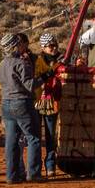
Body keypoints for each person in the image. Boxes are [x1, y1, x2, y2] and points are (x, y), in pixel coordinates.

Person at [0, 32, 41, 183]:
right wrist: (45, 77)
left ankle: (12, 176)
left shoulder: (1, 65)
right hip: (22, 103)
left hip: (6, 104)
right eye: (20, 43)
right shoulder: (21, 63)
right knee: (33, 138)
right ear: (15, 46)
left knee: (11, 141)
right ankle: (34, 174)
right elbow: (30, 85)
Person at [33, 31, 61, 177]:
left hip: (53, 102)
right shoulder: (37, 61)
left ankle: (50, 165)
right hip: (39, 101)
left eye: (55, 45)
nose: (54, 48)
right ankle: (35, 166)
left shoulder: (61, 60)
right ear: (43, 47)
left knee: (51, 135)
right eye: (50, 46)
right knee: (36, 136)